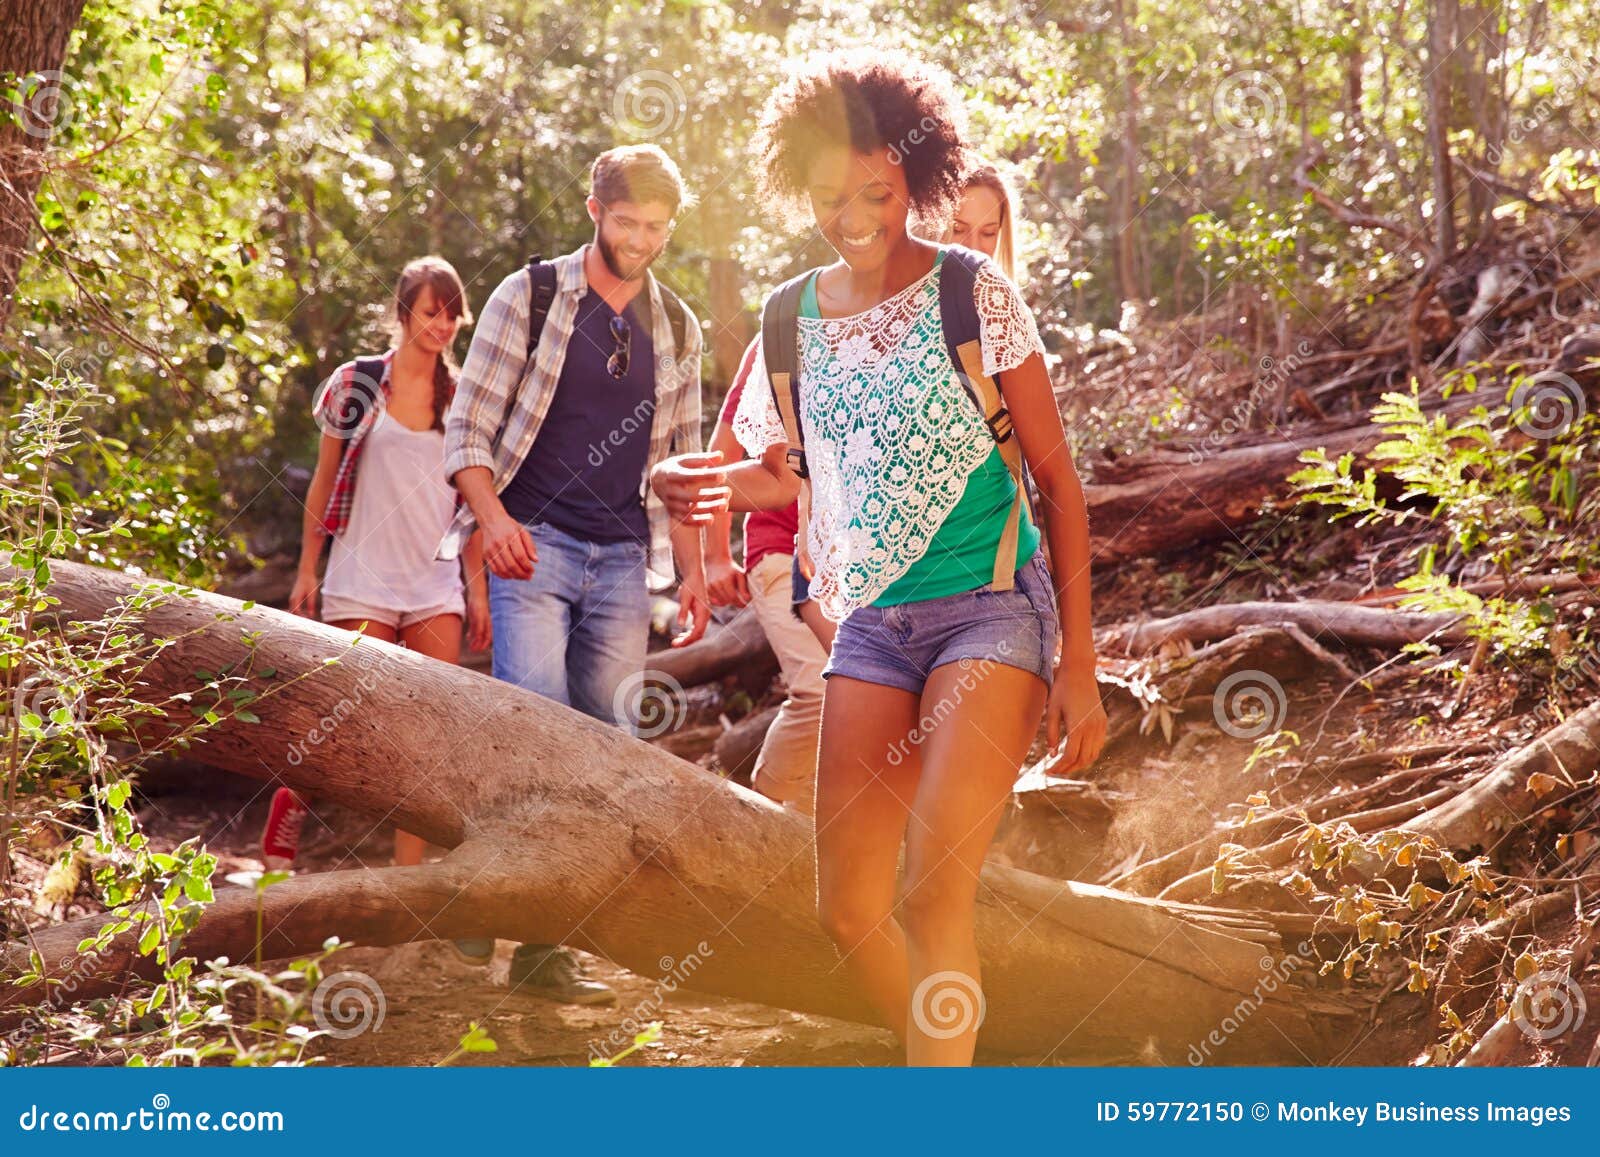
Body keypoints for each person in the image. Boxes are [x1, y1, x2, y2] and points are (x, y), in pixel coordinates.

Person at [653, 52, 1107, 1065]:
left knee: (933, 886)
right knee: (849, 908)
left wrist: (1076, 664)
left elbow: (1059, 485)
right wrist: (702, 485)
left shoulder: (971, 292)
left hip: (990, 610)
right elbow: (786, 474)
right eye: (829, 196)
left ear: (916, 184)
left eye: (877, 192)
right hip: (870, 627)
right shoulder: (789, 319)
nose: (853, 215)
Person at [436, 144, 706, 1004]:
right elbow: (468, 432)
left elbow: (686, 466)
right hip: (534, 543)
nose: (642, 240)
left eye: (658, 227)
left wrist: (695, 575)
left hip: (627, 557)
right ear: (595, 211)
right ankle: (484, 888)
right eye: (627, 222)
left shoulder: (679, 328)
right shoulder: (533, 295)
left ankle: (546, 949)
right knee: (529, 727)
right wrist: (496, 522)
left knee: (603, 754)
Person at [285, 255, 490, 868]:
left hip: (435, 583)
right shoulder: (357, 383)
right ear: (404, 314)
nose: (443, 325)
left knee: (431, 736)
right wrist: (306, 569)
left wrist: (476, 591)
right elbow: (323, 483)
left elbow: (474, 503)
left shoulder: (463, 400)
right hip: (361, 578)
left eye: (453, 315)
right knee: (350, 724)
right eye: (432, 312)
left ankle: (408, 878)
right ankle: (284, 820)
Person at [702, 337, 826, 813]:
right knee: (820, 688)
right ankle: (765, 808)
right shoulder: (780, 334)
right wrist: (714, 556)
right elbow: (721, 453)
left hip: (865, 558)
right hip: (780, 549)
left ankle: (819, 823)